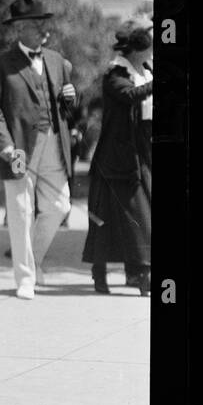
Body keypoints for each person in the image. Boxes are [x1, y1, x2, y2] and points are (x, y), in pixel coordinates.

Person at [0, 0, 82, 299]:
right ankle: (25, 279)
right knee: (21, 211)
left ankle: (32, 261)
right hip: (20, 148)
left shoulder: (56, 60)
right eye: (36, 25)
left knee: (60, 206)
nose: (42, 30)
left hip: (54, 141)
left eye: (42, 24)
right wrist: (6, 146)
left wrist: (70, 98)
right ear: (19, 29)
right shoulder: (0, 64)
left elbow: (66, 109)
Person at [82, 20, 152, 296]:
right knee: (114, 217)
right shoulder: (115, 74)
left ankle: (137, 272)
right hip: (117, 156)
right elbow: (130, 95)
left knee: (141, 214)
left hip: (141, 150)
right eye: (148, 49)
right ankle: (104, 273)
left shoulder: (144, 69)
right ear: (136, 51)